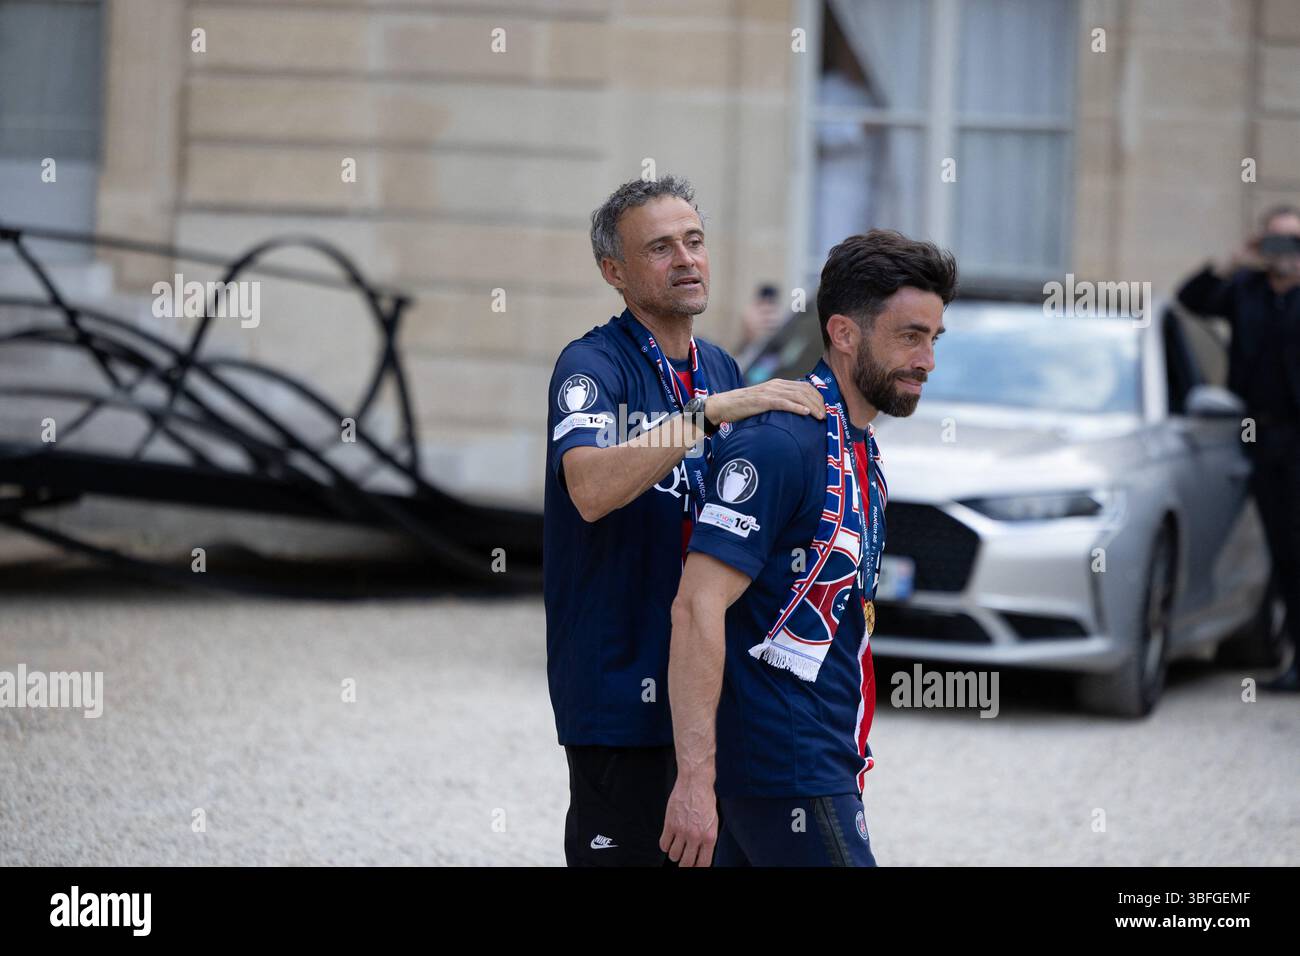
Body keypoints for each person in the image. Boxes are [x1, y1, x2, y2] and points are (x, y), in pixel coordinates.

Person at [544, 175, 827, 866]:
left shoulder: (719, 366)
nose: (686, 260)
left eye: (695, 242)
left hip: (705, 692)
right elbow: (588, 489)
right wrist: (710, 413)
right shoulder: (590, 365)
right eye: (661, 248)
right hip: (617, 695)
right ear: (614, 272)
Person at [659, 230, 957, 866]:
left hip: (812, 759)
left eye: (934, 338)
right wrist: (692, 780)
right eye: (909, 336)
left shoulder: (857, 449)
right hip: (787, 766)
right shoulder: (783, 443)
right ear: (845, 334)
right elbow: (696, 606)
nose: (927, 359)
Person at [1176, 204, 1300, 691]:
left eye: (1295, 242)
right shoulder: (1244, 289)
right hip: (1253, 435)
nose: (1285, 253)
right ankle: (1277, 651)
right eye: (1277, 241)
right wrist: (1234, 261)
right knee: (1275, 549)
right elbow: (1191, 298)